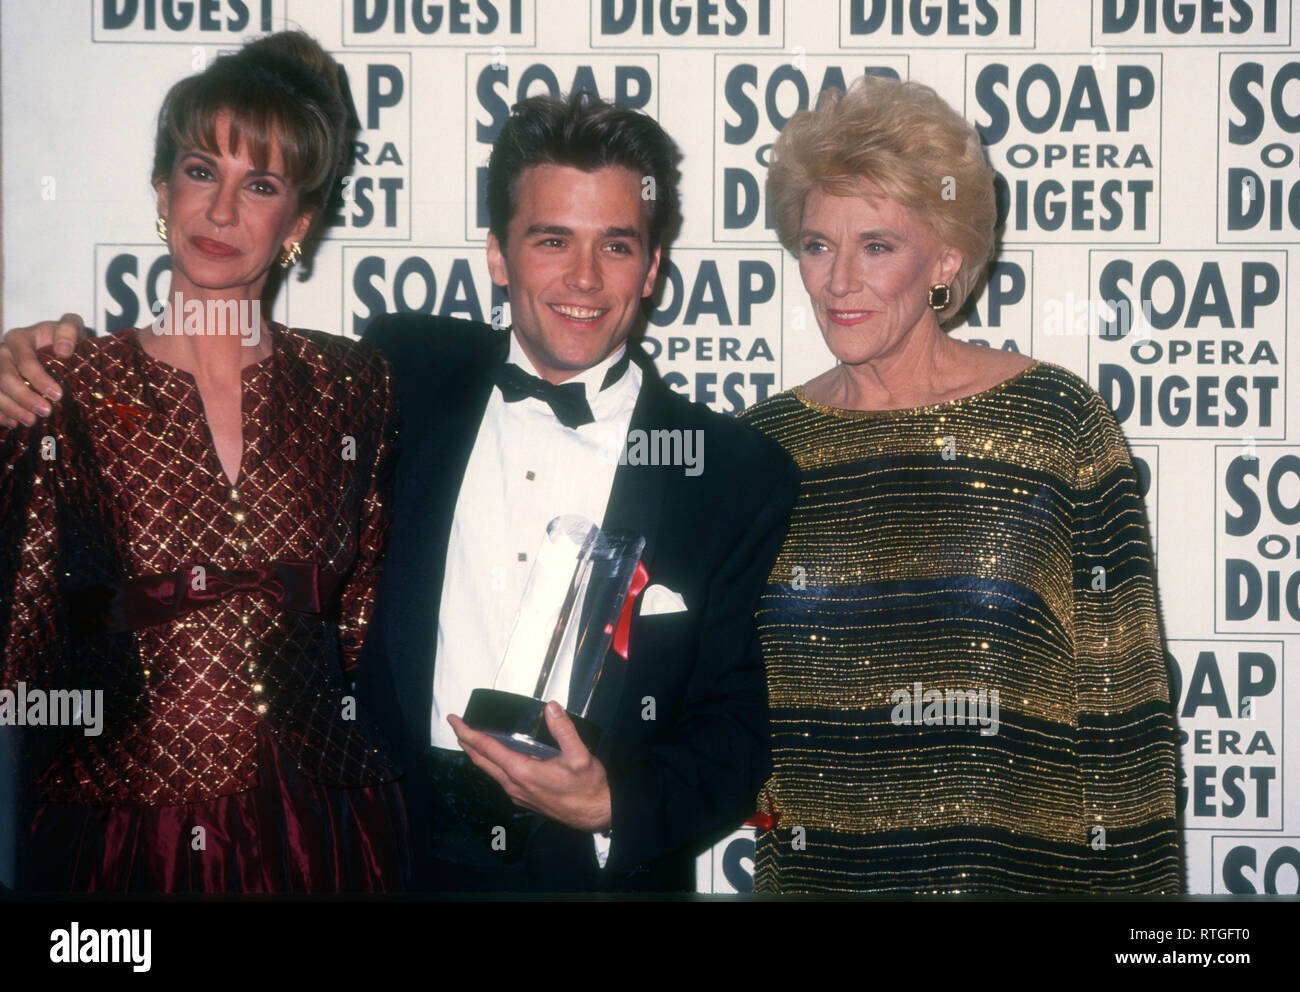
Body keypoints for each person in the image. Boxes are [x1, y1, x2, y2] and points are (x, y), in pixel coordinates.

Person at [0, 90, 799, 893]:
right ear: (498, 254)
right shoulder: (393, 376)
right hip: (384, 850)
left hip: (589, 874)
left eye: (617, 246)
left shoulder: (731, 473)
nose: (583, 278)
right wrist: (36, 350)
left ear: (653, 268)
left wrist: (609, 803)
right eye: (551, 239)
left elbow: (732, 732)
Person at [738, 75, 1182, 893]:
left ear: (944, 257)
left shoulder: (1055, 425)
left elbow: (1128, 720)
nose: (839, 282)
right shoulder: (762, 450)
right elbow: (723, 713)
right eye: (817, 245)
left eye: (877, 245)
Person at [0, 31, 407, 892]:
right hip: (121, 835)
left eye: (258, 185)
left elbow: (366, 626)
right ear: (161, 189)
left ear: (298, 222)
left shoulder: (353, 386)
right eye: (199, 171)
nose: (220, 213)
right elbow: (21, 649)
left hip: (325, 833)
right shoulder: (65, 387)